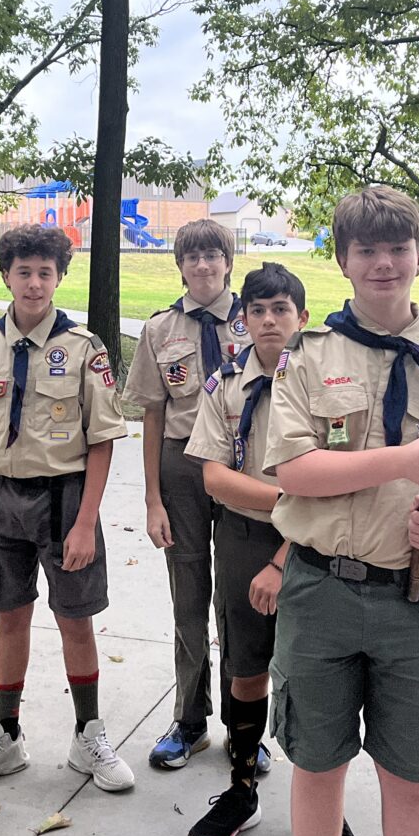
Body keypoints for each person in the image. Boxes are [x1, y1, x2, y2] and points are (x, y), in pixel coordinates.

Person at [264, 186, 419, 836]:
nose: (384, 263)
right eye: (367, 250)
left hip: (414, 599)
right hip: (321, 588)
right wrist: (403, 460)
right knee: (317, 761)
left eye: (397, 247)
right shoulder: (310, 358)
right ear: (343, 260)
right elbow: (295, 472)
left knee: (412, 774)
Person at [181, 262, 370, 836]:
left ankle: (324, 808)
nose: (268, 320)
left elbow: (340, 481)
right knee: (245, 664)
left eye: (281, 309)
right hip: (243, 539)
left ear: (303, 318)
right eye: (257, 310)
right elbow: (213, 476)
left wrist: (286, 550)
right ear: (243, 319)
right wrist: (292, 502)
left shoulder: (328, 386)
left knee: (314, 675)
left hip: (314, 547)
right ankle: (242, 788)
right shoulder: (224, 385)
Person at [0, 225, 135, 794]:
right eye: (22, 272)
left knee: (75, 617)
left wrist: (85, 523)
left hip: (64, 499)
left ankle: (88, 733)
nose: (33, 283)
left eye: (44, 273)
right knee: (10, 616)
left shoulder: (84, 348)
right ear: (5, 275)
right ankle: (5, 735)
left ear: (59, 278)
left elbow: (102, 438)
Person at [123, 218, 254, 770]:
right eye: (192, 257)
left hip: (242, 460)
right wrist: (153, 499)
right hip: (181, 467)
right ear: (179, 265)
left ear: (228, 262)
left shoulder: (258, 319)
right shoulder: (160, 331)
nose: (203, 266)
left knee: (239, 598)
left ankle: (243, 725)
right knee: (188, 595)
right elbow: (152, 415)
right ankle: (190, 718)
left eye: (212, 256)